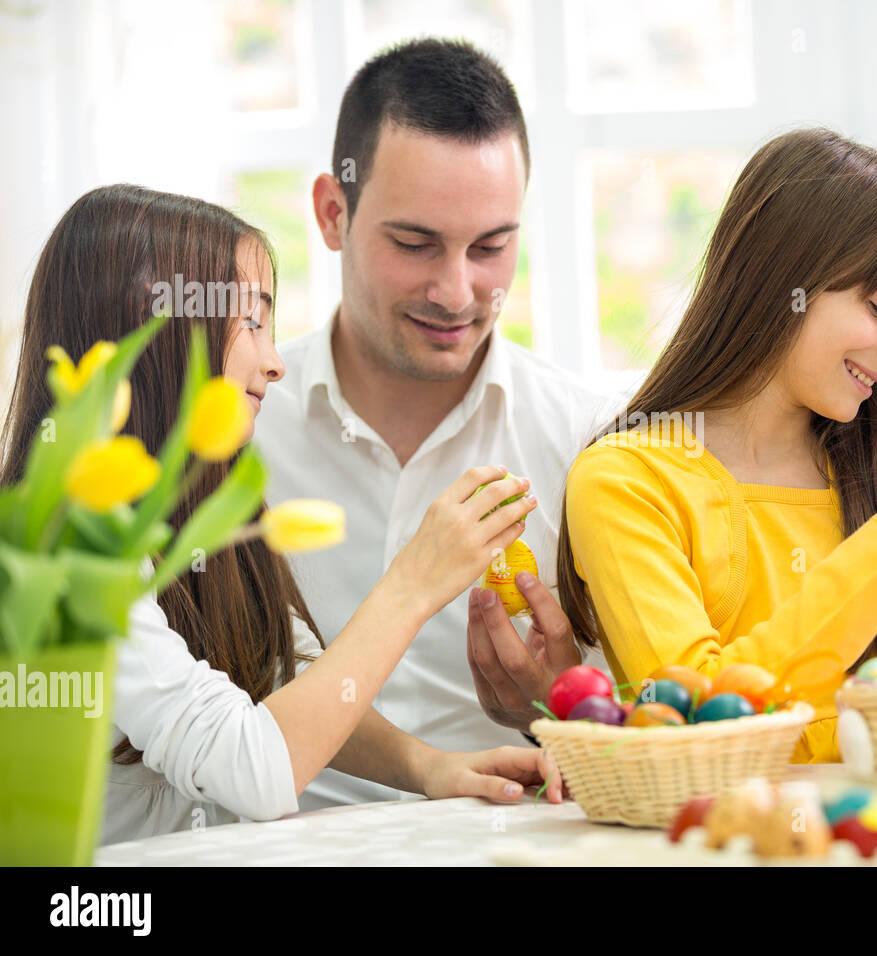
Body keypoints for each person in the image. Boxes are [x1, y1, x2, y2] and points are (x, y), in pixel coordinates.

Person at [0, 184, 562, 844]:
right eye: (251, 324)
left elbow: (283, 680)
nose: (274, 363)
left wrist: (430, 765)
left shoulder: (207, 503)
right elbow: (254, 770)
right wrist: (413, 585)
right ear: (154, 326)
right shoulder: (63, 545)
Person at [549, 128, 877, 762]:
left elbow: (864, 705)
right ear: (784, 281)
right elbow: (707, 718)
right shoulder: (626, 483)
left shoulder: (864, 469)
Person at [255, 39, 618, 809]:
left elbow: (658, 725)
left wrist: (558, 706)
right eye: (414, 243)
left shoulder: (589, 439)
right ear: (333, 212)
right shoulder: (239, 429)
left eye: (491, 246)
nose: (457, 293)